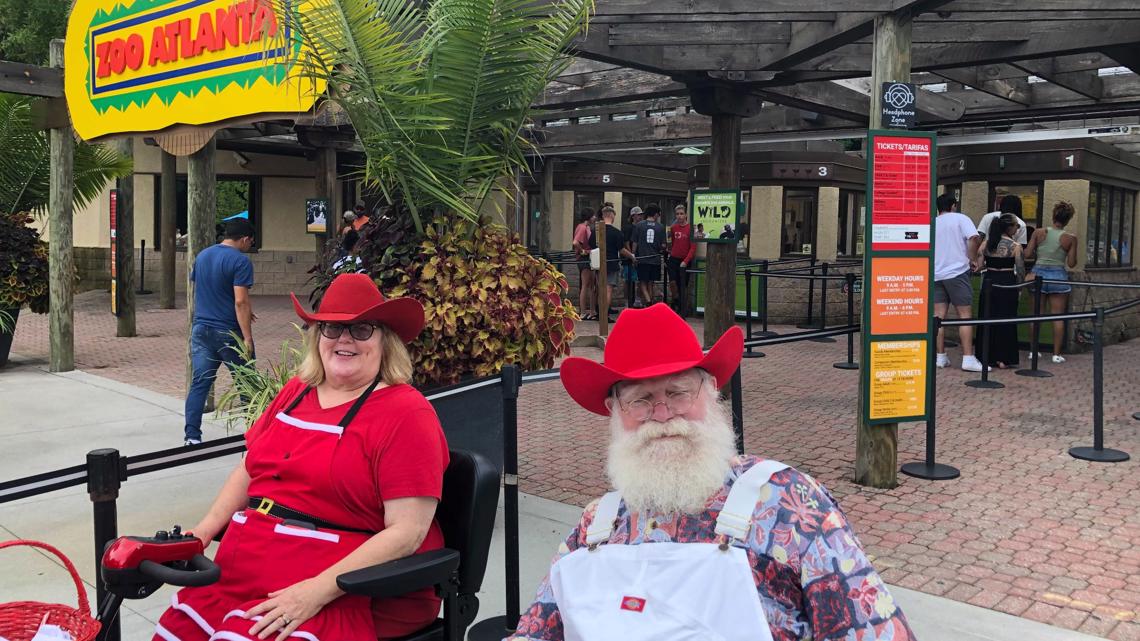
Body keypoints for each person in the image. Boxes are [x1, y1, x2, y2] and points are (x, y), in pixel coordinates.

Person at [507, 304, 915, 641]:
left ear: (712, 392)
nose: (662, 415)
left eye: (678, 392)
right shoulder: (597, 526)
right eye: (640, 400)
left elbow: (876, 631)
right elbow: (535, 632)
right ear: (615, 412)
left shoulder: (790, 503)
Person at [157, 274, 449, 641]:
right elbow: (250, 468)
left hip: (348, 587)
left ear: (385, 341)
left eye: (362, 329)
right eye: (332, 328)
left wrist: (315, 592)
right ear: (318, 337)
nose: (344, 339)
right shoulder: (297, 392)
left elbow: (408, 532)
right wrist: (203, 531)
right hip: (250, 567)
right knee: (176, 631)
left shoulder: (406, 413)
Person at [185, 218, 257, 446]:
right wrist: (247, 337)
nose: (250, 246)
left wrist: (245, 311)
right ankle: (255, 436)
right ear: (244, 239)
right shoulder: (240, 261)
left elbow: (210, 289)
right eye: (251, 242)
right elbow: (240, 301)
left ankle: (192, 436)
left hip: (201, 329)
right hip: (228, 331)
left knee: (200, 383)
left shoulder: (203, 256)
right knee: (247, 384)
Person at [932, 193, 986, 372]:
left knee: (938, 317)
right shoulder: (961, 219)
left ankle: (940, 357)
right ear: (953, 205)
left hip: (936, 274)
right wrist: (972, 258)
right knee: (964, 315)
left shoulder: (933, 223)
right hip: (957, 272)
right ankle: (968, 358)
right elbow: (974, 238)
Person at [1025, 201, 1078, 364]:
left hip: (1038, 273)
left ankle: (1033, 351)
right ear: (1068, 219)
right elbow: (1072, 263)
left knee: (1036, 315)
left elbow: (1027, 254)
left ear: (1054, 215)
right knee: (1058, 317)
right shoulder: (1070, 238)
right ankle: (1056, 354)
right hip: (1058, 276)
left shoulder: (1038, 232)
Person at [977, 214, 1025, 369]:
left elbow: (979, 264)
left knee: (987, 317)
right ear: (1009, 227)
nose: (1017, 228)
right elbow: (1021, 270)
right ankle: (1003, 358)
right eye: (1016, 225)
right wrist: (1020, 287)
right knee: (1006, 319)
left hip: (989, 281)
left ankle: (986, 355)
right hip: (1007, 282)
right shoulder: (1016, 246)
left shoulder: (986, 244)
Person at [599, 205, 637, 320]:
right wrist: (632, 256)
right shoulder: (617, 233)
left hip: (597, 264)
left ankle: (599, 313)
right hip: (611, 263)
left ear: (603, 216)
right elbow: (621, 250)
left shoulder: (595, 231)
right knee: (608, 289)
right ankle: (604, 316)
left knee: (600, 289)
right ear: (612, 216)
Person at [632, 204, 665, 308]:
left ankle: (648, 301)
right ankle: (650, 305)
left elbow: (635, 243)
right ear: (655, 214)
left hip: (643, 258)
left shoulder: (639, 225)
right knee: (651, 282)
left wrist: (633, 256)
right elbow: (663, 245)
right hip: (655, 259)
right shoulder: (660, 227)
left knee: (642, 282)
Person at [667, 204, 695, 317]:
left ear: (686, 215)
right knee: (672, 283)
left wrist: (686, 261)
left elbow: (693, 248)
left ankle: (682, 309)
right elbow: (672, 243)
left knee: (682, 285)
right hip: (673, 259)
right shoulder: (673, 228)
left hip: (685, 261)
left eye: (681, 214)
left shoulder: (691, 229)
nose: (679, 216)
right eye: (677, 214)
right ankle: (676, 302)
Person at [573, 209, 598, 321]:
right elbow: (575, 242)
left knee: (592, 285)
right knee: (585, 285)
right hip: (584, 258)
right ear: (589, 217)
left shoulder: (586, 227)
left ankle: (592, 311)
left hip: (589, 257)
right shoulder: (582, 227)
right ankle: (583, 312)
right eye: (593, 216)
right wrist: (582, 250)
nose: (595, 218)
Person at [622, 207, 644, 307]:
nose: (640, 217)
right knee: (628, 280)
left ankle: (638, 300)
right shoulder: (628, 228)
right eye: (638, 215)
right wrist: (631, 255)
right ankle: (627, 302)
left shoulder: (641, 227)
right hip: (628, 258)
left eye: (641, 215)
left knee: (640, 280)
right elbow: (626, 242)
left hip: (640, 257)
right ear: (633, 216)